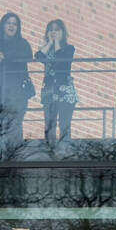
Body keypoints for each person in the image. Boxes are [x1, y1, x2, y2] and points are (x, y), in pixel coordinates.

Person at [0, 12, 35, 151]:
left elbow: (28, 55)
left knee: (15, 125)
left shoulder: (22, 43)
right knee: (0, 127)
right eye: (9, 23)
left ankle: (15, 156)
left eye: (15, 23)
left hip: (17, 93)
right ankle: (3, 157)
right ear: (2, 25)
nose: (11, 26)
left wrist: (5, 56)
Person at [35, 18, 78, 148]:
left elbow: (61, 60)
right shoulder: (47, 50)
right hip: (49, 91)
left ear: (63, 32)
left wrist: (57, 42)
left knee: (64, 124)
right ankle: (50, 150)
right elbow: (38, 56)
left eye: (57, 30)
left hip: (64, 91)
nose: (54, 32)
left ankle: (64, 150)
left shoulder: (69, 49)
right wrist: (49, 42)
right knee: (49, 124)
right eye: (51, 30)